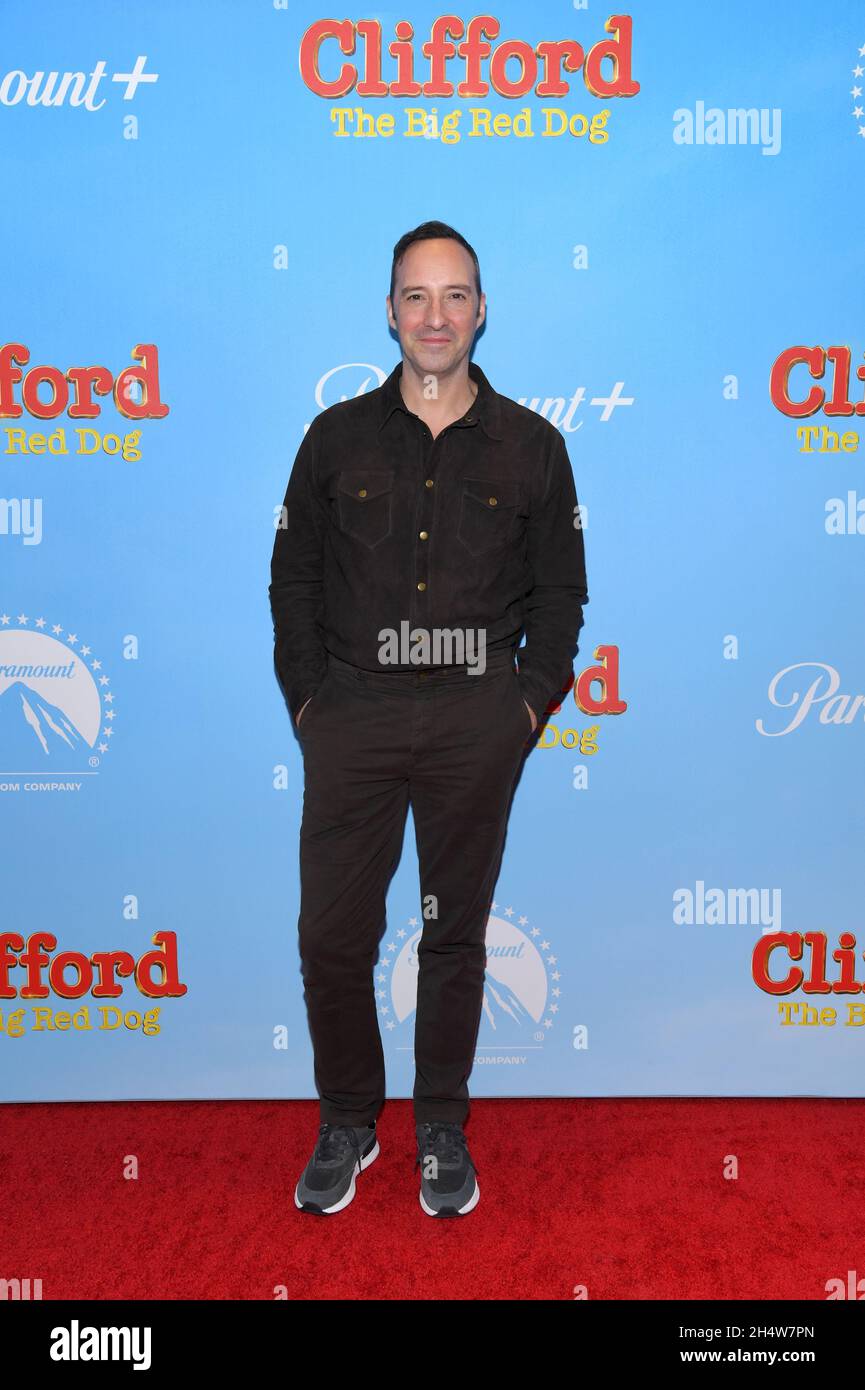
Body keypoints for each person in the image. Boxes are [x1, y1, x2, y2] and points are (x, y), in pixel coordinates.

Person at [269, 219, 588, 1216]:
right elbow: (294, 582)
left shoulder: (535, 446)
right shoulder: (334, 437)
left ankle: (440, 1126)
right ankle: (349, 1121)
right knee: (332, 934)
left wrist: (523, 707)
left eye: (455, 295)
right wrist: (314, 704)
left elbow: (559, 597)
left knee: (450, 936)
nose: (435, 315)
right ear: (389, 311)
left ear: (482, 311)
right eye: (416, 295)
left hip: (472, 726)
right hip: (353, 716)